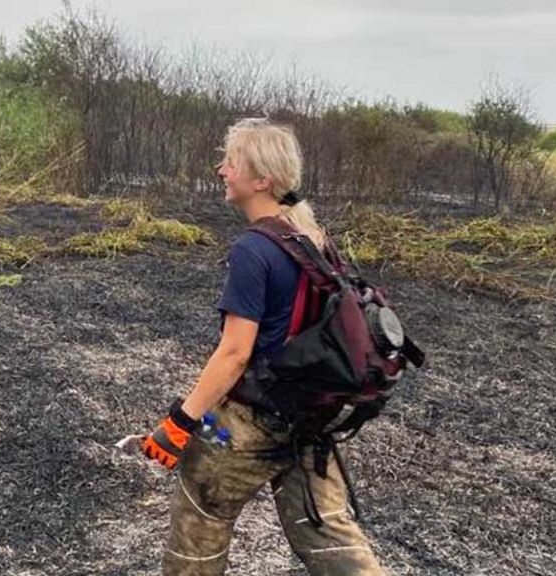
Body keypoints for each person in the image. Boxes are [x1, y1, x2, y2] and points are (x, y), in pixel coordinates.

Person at [141, 118, 386, 575]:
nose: (221, 170)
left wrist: (180, 423)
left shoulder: (253, 250)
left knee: (200, 511)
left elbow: (235, 353)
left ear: (262, 180)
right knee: (328, 533)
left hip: (258, 418)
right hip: (310, 415)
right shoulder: (313, 237)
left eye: (231, 162)